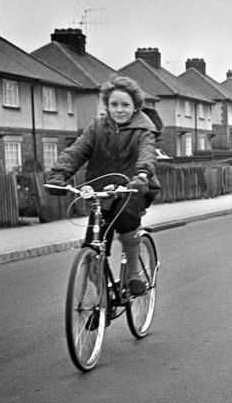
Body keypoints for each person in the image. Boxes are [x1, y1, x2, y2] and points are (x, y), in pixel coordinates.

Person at [45, 76, 162, 296]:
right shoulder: (96, 128)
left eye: (125, 105)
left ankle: (133, 276)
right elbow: (77, 151)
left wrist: (142, 175)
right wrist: (59, 175)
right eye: (114, 104)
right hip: (102, 191)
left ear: (135, 106)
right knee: (92, 245)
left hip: (133, 188)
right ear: (107, 106)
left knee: (126, 215)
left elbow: (147, 154)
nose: (119, 110)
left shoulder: (144, 130)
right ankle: (103, 300)